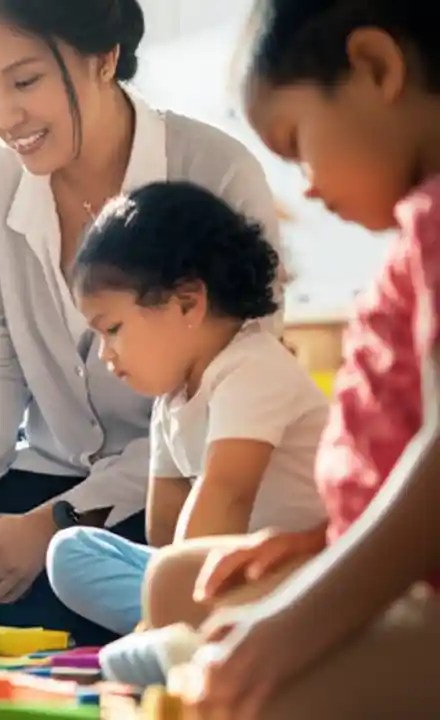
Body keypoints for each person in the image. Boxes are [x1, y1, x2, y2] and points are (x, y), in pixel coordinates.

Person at [0, 0, 286, 645]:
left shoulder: (216, 172)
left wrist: (57, 519)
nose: (4, 117)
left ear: (103, 59)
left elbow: (228, 391)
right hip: (52, 459)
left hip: (181, 473)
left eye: (26, 81)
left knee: (76, 592)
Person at [133, 1, 440, 716]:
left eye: (297, 142)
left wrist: (296, 624)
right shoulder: (412, 241)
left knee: (262, 693)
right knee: (178, 583)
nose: (304, 183)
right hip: (407, 573)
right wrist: (319, 540)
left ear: (374, 68)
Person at [43, 181, 328, 635]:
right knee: (71, 551)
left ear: (187, 303)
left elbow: (227, 494)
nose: (104, 354)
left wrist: (173, 595)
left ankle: (173, 637)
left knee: (170, 586)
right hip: (219, 576)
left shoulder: (251, 367)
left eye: (112, 329)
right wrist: (169, 592)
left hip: (296, 576)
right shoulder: (172, 399)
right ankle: (179, 636)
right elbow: (164, 533)